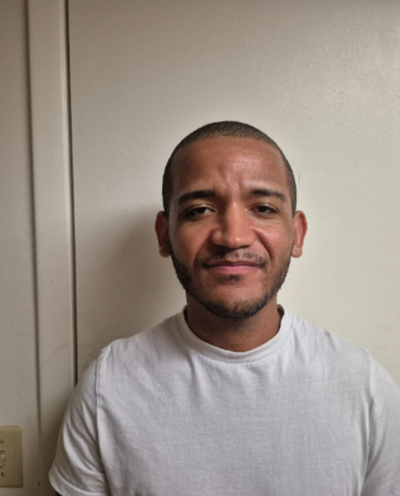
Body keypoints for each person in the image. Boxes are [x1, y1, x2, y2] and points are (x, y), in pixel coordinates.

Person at [50, 121, 400, 496]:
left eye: (263, 208)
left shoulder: (363, 386)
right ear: (164, 235)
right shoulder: (108, 386)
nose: (233, 237)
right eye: (200, 210)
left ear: (297, 234)